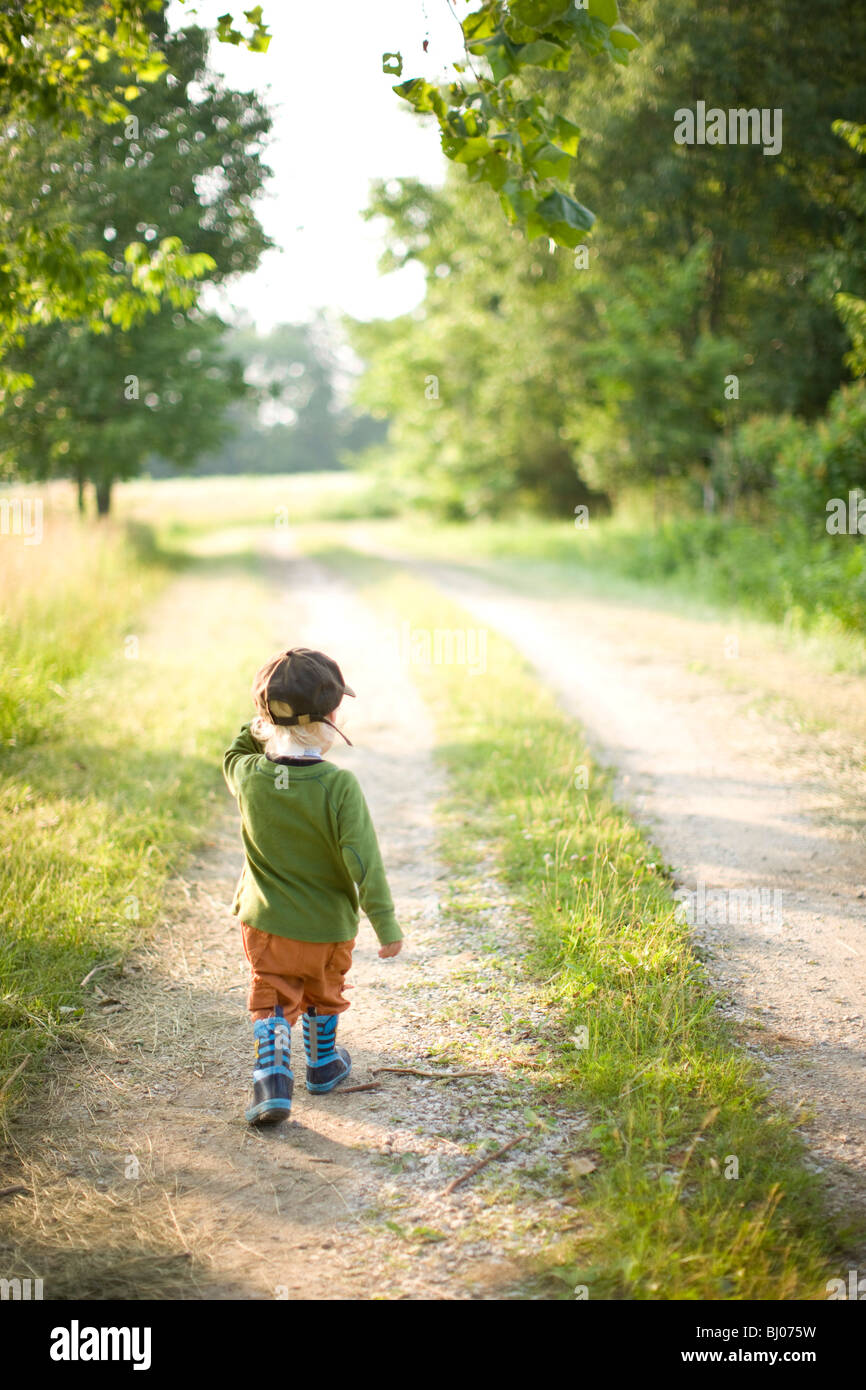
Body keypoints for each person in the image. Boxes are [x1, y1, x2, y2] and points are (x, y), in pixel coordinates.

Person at [222, 647, 402, 1125]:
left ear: (264, 719)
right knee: (325, 990)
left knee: (273, 995)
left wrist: (262, 716)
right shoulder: (339, 786)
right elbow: (364, 861)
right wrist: (385, 924)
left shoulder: (250, 777)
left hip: (268, 926)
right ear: (332, 717)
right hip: (328, 928)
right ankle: (322, 1066)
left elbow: (235, 750)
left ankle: (272, 1078)